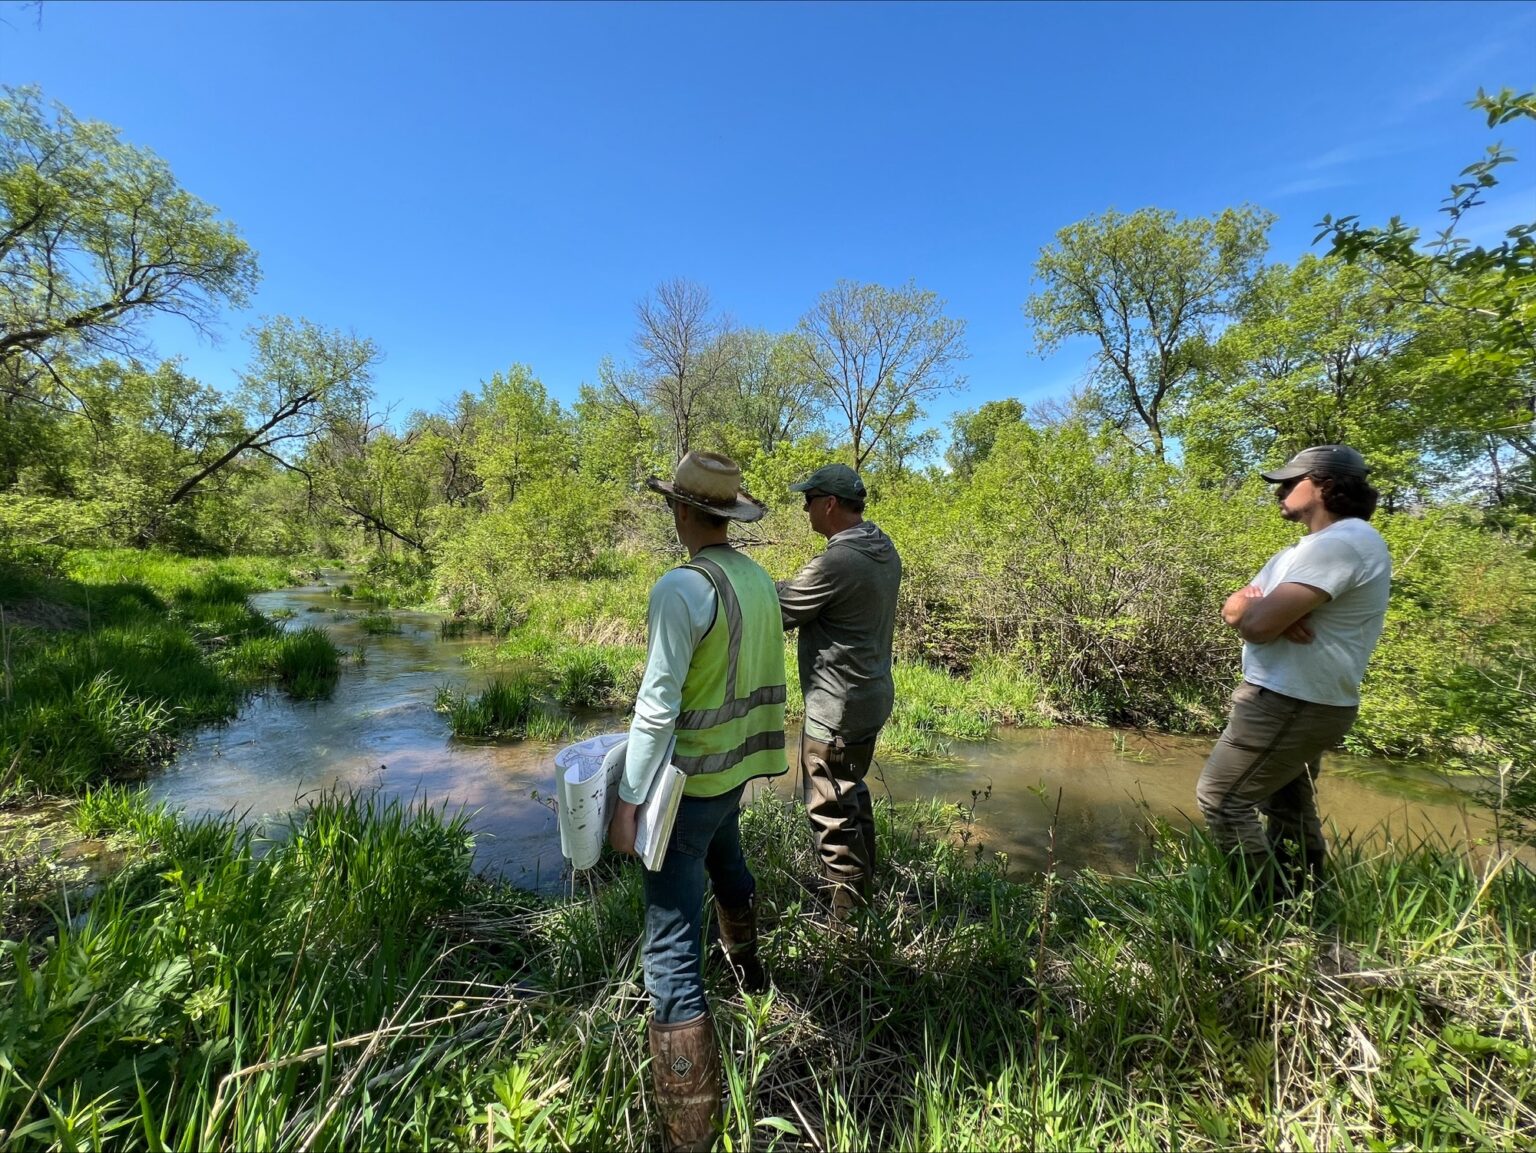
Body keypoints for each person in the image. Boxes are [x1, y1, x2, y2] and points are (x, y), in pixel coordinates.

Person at [607, 450, 788, 1153]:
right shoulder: (758, 580)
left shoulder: (681, 589)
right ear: (730, 515)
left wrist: (628, 799)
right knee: (729, 863)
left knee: (672, 955)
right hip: (736, 772)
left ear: (682, 511)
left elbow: (656, 710)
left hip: (685, 789)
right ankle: (751, 974)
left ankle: (690, 1134)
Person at [1195, 444, 1391, 904]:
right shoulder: (1304, 550)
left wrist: (1260, 612)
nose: (1280, 491)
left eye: (1289, 482)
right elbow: (1234, 608)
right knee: (1287, 805)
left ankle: (1263, 910)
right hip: (1290, 697)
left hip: (1293, 700)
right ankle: (1305, 905)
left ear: (1324, 485)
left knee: (1222, 799)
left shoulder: (1344, 543)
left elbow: (1258, 626)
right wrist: (1256, 608)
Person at [776, 463, 903, 917]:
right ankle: (861, 887)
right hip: (870, 696)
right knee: (851, 791)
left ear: (829, 503)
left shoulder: (838, 560)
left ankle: (847, 921)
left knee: (830, 810)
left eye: (807, 500)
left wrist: (743, 583)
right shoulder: (881, 545)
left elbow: (782, 609)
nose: (805, 509)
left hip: (837, 707)